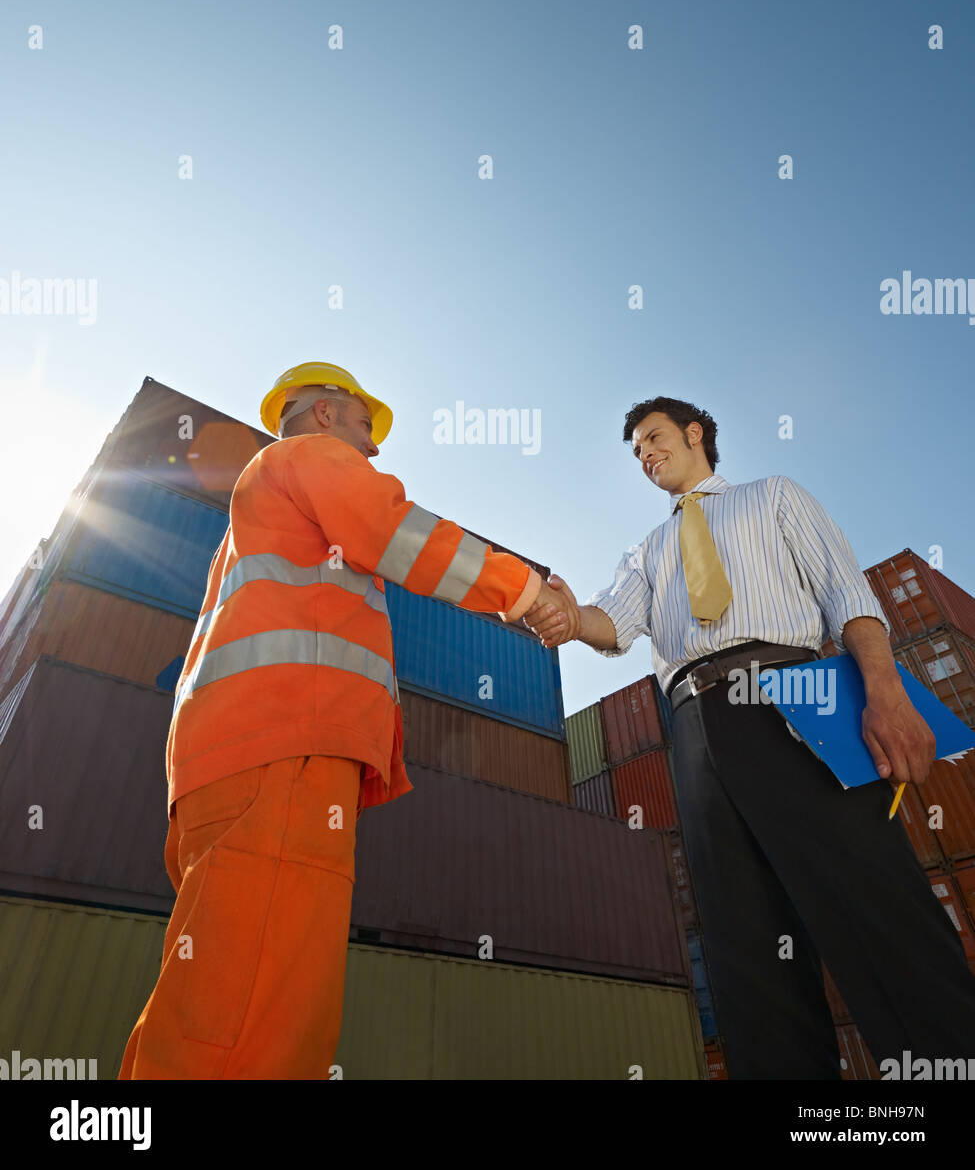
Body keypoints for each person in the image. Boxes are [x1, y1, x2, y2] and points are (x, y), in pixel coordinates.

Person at [118, 361, 572, 1080]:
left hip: (232, 763)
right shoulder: (308, 456)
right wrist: (526, 591)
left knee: (215, 995)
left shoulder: (253, 522)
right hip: (283, 755)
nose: (374, 446)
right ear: (325, 414)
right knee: (261, 1017)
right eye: (365, 423)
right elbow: (391, 529)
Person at [525, 395, 975, 1080]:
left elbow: (847, 593)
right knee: (746, 951)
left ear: (695, 434)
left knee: (874, 908)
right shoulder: (646, 551)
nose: (645, 455)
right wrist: (566, 616)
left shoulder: (773, 496)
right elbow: (611, 623)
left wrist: (885, 694)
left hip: (791, 698)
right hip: (693, 727)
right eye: (637, 451)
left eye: (654, 437)